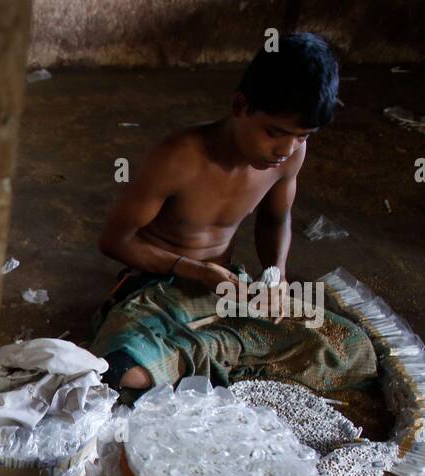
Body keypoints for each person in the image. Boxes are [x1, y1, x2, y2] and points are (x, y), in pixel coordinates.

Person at [91, 33, 375, 395]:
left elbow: (275, 220)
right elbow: (115, 241)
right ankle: (229, 350)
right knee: (121, 369)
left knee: (352, 347)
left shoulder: (289, 156)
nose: (286, 149)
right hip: (158, 288)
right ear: (240, 105)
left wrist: (275, 279)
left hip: (231, 290)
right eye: (274, 132)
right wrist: (199, 271)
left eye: (302, 137)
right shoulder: (178, 157)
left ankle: (212, 351)